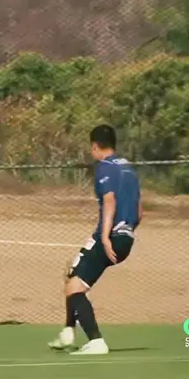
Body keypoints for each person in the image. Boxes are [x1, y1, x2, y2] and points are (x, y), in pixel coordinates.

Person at [48, 124, 141, 355]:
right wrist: (125, 231)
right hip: (127, 238)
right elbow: (139, 212)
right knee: (73, 274)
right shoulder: (128, 168)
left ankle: (95, 341)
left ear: (94, 146)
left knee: (74, 287)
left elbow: (109, 202)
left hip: (110, 237)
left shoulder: (104, 168)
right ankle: (68, 332)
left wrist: (106, 238)